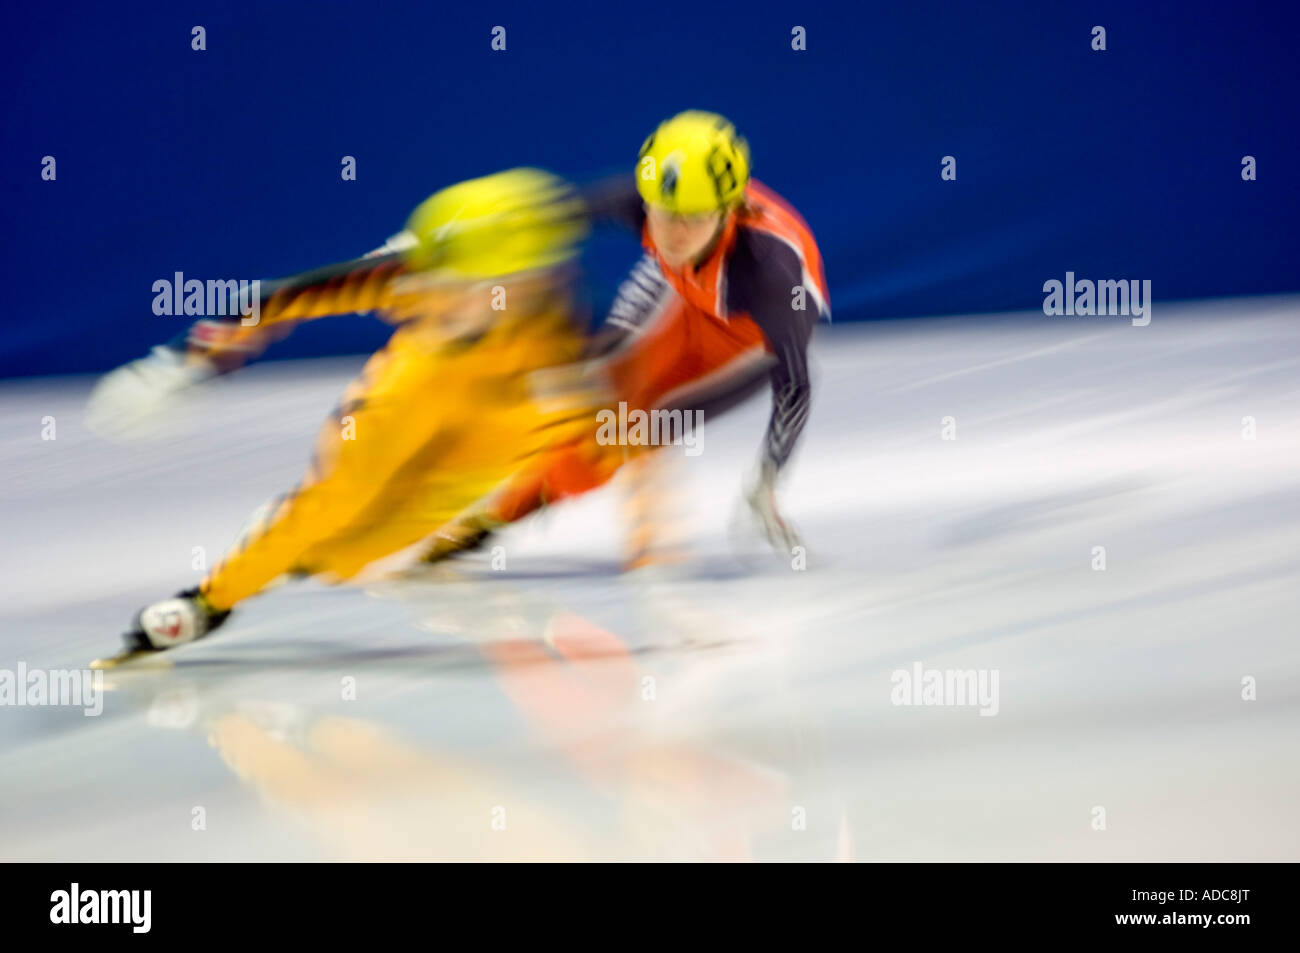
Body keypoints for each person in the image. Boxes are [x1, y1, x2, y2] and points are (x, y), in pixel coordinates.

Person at [87, 169, 597, 658]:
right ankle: (209, 600)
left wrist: (511, 503)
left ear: (531, 283)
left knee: (352, 556)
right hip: (417, 382)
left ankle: (307, 553)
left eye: (470, 288)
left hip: (497, 410)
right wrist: (182, 361)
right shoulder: (412, 272)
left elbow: (590, 431)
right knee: (339, 500)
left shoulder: (560, 339)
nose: (445, 295)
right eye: (443, 281)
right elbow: (280, 298)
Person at [423, 110, 830, 566]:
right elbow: (552, 211)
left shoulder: (772, 274)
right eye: (664, 212)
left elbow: (796, 381)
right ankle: (466, 467)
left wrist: (768, 482)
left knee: (634, 429)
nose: (675, 231)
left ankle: (493, 519)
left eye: (694, 218)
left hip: (750, 349)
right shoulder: (644, 204)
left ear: (728, 212)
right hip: (682, 293)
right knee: (597, 382)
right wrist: (464, 239)